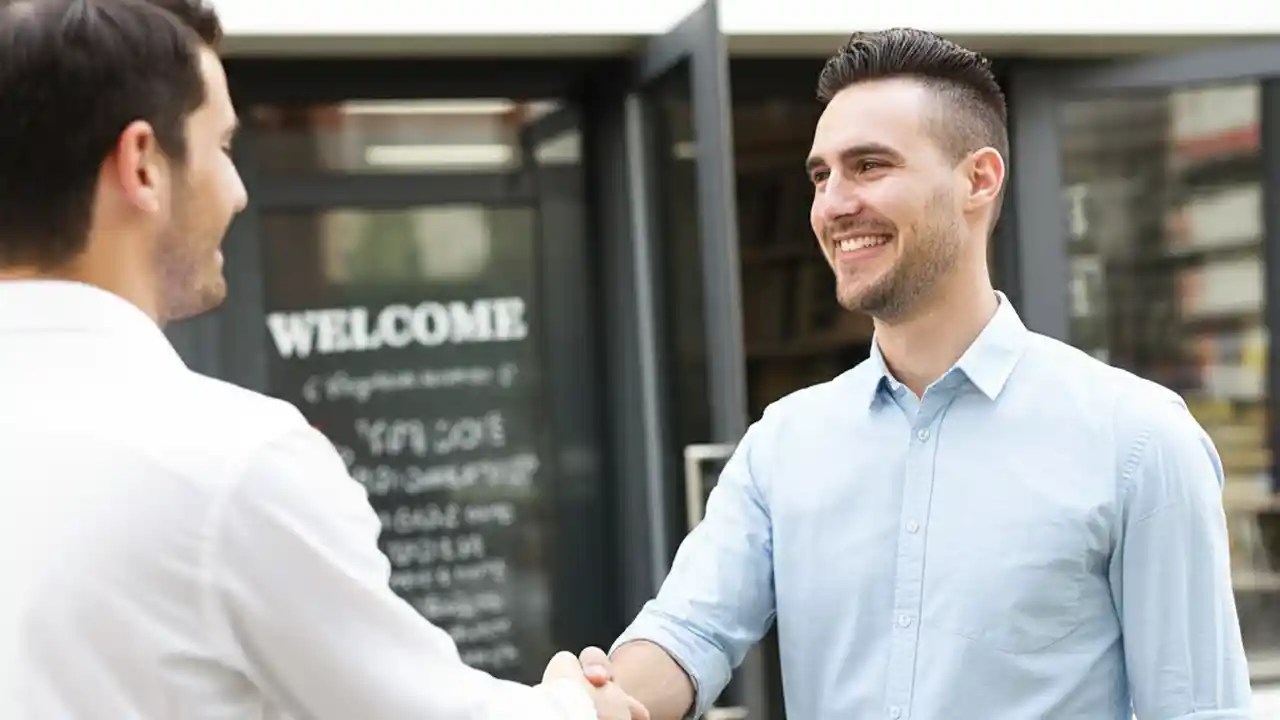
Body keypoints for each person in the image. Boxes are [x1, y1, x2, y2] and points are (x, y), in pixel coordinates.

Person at [0, 1, 646, 718]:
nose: (239, 191)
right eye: (222, 147)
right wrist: (575, 705)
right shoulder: (231, 465)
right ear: (143, 164)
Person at [588, 28, 1254, 719]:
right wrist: (582, 704)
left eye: (870, 165)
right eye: (821, 175)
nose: (833, 204)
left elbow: (1199, 709)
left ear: (979, 178)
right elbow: (687, 634)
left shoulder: (1138, 441)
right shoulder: (784, 445)